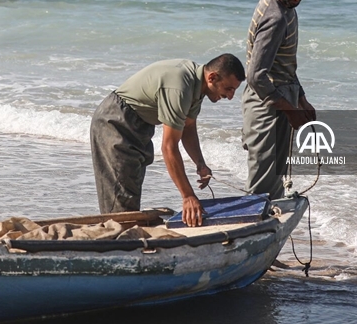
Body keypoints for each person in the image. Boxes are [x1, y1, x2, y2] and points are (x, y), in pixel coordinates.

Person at [91, 54, 245, 227]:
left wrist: (200, 163)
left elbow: (188, 127)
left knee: (130, 192)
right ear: (212, 78)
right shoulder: (180, 88)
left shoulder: (197, 86)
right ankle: (116, 239)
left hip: (140, 125)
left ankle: (126, 232)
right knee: (121, 200)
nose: (230, 96)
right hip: (115, 121)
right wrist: (188, 196)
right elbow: (169, 147)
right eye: (229, 89)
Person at [243, 0, 316, 199]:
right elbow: (255, 76)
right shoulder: (275, 17)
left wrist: (301, 99)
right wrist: (290, 110)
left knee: (274, 178)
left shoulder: (283, 5)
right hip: (267, 104)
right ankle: (256, 222)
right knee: (263, 184)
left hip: (281, 98)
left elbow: (283, 64)